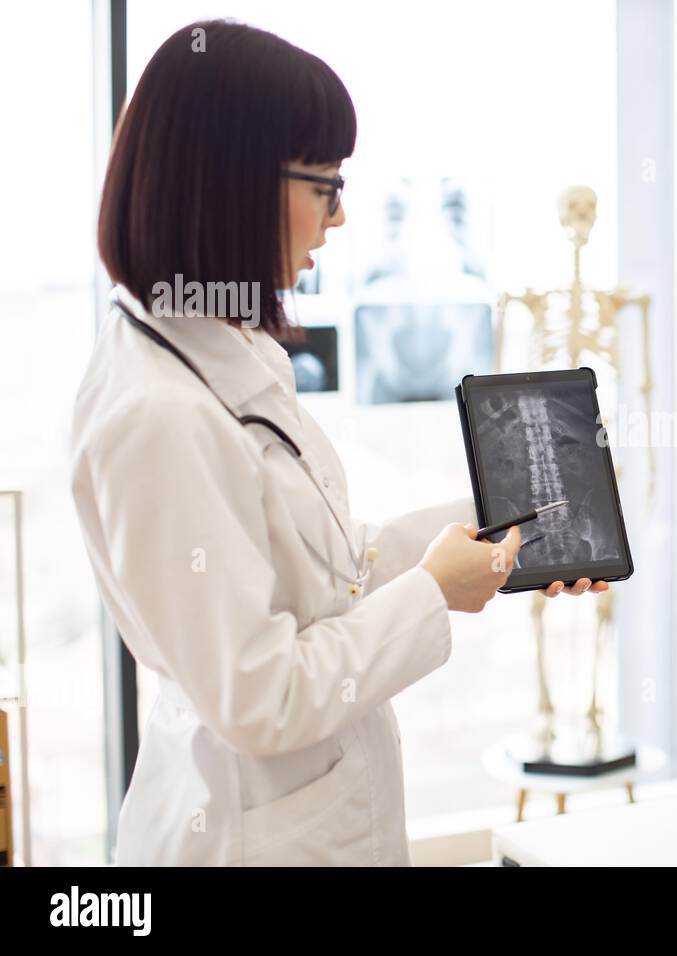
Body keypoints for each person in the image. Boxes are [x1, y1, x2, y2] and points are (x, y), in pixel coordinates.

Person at [70, 19, 606, 866]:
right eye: (326, 185)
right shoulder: (157, 416)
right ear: (233, 183)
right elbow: (260, 696)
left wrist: (505, 521)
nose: (343, 215)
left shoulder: (222, 348)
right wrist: (432, 592)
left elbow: (323, 571)